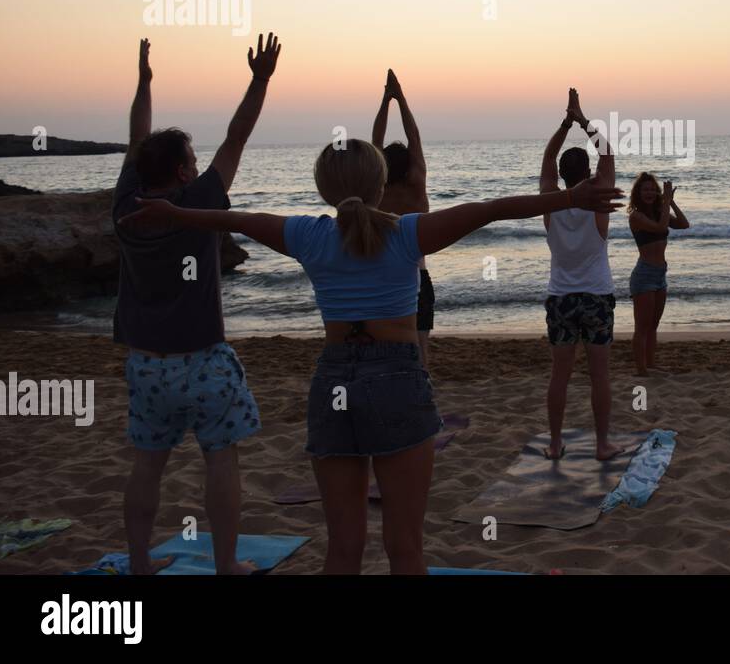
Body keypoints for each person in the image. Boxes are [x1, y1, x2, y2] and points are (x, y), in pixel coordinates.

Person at [120, 137, 622, 574]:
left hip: (333, 382)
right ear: (381, 186)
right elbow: (491, 208)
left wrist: (175, 213)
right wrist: (571, 197)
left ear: (323, 188)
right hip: (397, 380)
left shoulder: (308, 234)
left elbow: (235, 218)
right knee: (405, 550)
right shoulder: (408, 233)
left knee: (342, 551)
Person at [114, 33, 281, 575]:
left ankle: (140, 564)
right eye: (191, 158)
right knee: (221, 460)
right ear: (185, 171)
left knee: (147, 467)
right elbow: (238, 136)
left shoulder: (126, 203)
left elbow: (137, 134)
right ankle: (227, 565)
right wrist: (260, 79)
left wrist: (143, 83)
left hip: (145, 365)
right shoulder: (202, 200)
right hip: (204, 362)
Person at [539, 88, 622, 461]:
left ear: (559, 175)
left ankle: (555, 444)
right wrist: (583, 119)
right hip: (596, 296)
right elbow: (607, 152)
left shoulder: (549, 202)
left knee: (560, 375)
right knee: (599, 374)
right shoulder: (600, 201)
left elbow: (547, 156)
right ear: (587, 173)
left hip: (561, 297)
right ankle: (602, 445)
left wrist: (564, 123)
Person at [371, 69, 434, 351]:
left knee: (386, 344)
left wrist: (386, 101)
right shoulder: (417, 184)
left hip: (382, 274)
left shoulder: (377, 188)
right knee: (420, 347)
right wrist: (400, 98)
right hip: (417, 275)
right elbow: (415, 136)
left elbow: (375, 141)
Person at [627, 172, 690, 375]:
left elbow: (683, 223)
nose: (650, 192)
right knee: (642, 327)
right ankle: (641, 369)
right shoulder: (636, 216)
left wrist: (670, 203)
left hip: (660, 275)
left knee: (653, 325)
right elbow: (660, 227)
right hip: (644, 275)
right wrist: (666, 203)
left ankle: (651, 365)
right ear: (638, 193)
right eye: (645, 189)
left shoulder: (658, 211)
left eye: (653, 189)